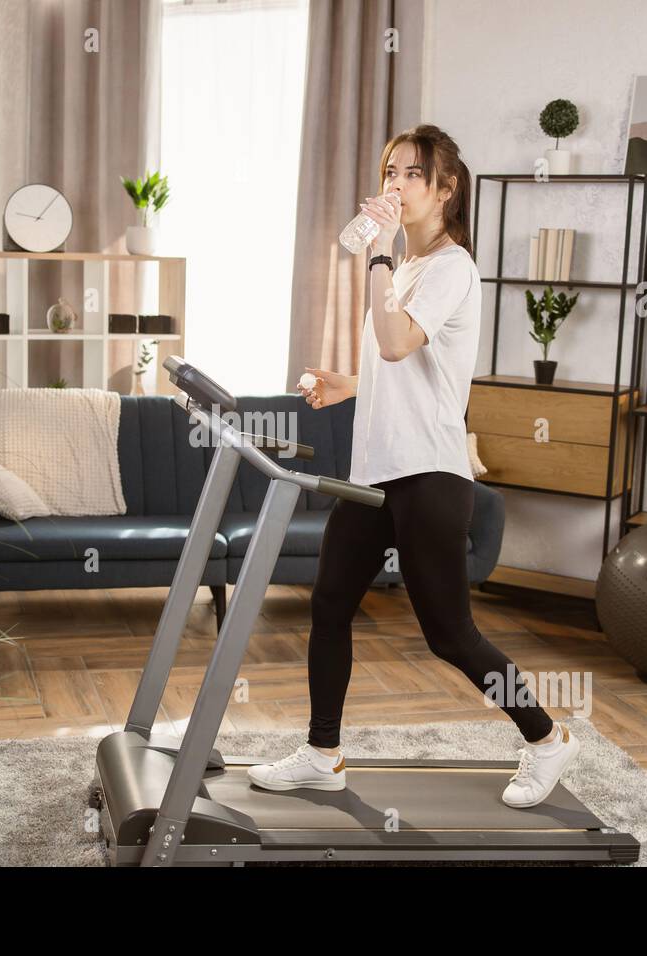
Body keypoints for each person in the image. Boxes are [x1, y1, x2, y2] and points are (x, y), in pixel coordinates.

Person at [248, 124, 579, 809]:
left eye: (410, 174)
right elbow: (404, 367)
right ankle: (322, 753)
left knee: (450, 635)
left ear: (445, 188)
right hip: (375, 472)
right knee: (331, 604)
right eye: (389, 172)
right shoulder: (409, 269)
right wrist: (345, 382)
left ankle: (548, 740)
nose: (394, 185)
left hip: (430, 475)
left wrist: (375, 255)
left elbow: (397, 344)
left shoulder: (452, 266)